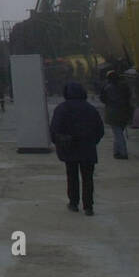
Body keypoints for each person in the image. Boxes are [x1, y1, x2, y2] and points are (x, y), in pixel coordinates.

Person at [49, 81, 104, 216]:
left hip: (69, 148)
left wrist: (59, 143)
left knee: (72, 176)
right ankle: (88, 206)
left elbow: (54, 130)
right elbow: (100, 130)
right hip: (87, 148)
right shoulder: (90, 109)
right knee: (88, 178)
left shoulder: (62, 109)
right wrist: (92, 142)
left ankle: (73, 203)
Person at [99, 71, 132, 160]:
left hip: (112, 113)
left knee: (118, 134)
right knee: (119, 133)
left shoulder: (106, 87)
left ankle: (123, 153)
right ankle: (116, 152)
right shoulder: (124, 86)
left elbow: (103, 99)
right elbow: (129, 97)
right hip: (124, 112)